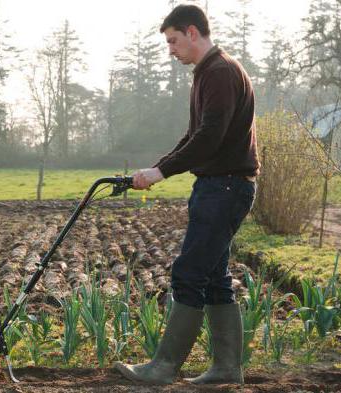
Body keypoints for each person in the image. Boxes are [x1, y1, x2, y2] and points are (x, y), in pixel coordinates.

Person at [113, 4, 260, 385]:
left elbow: (210, 136)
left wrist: (160, 171)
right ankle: (227, 368)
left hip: (225, 186)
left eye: (173, 41)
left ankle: (163, 368)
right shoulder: (208, 73)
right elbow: (195, 136)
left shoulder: (221, 72)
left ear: (193, 32)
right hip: (218, 185)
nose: (171, 49)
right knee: (213, 278)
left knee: (189, 273)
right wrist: (156, 169)